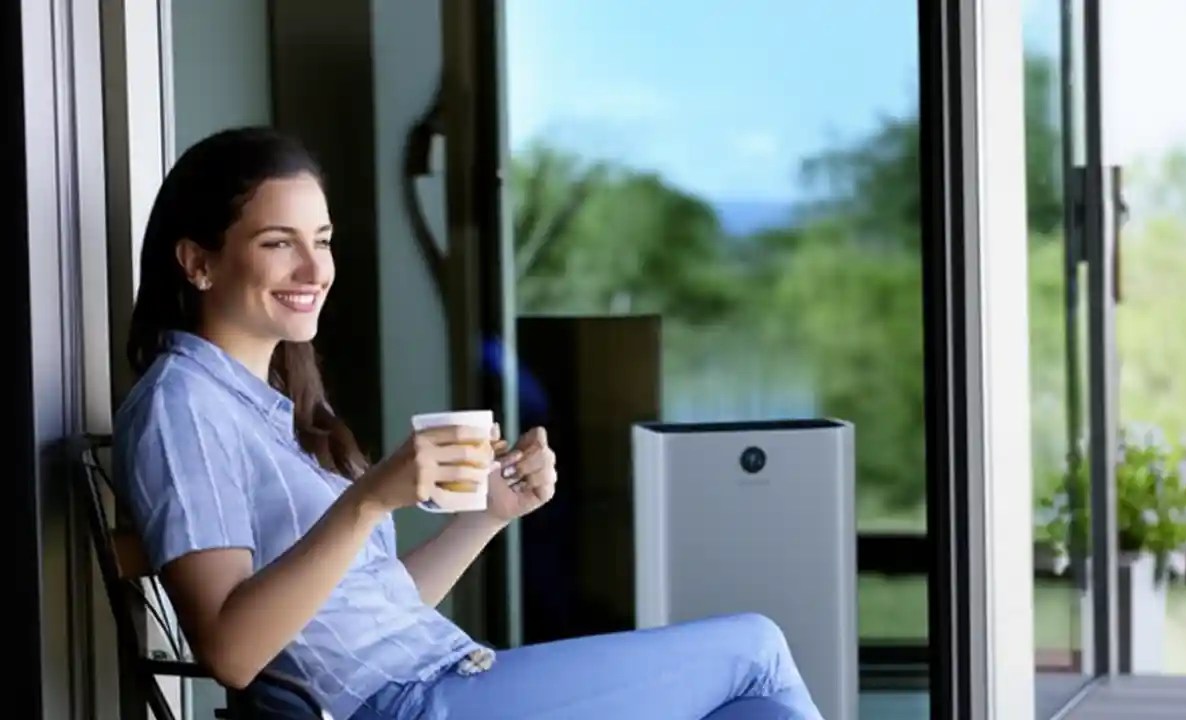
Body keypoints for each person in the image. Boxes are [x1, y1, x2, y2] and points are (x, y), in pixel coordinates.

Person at [112, 126, 823, 720]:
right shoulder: (184, 406)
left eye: (322, 240)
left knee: (754, 709)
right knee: (755, 650)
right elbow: (232, 654)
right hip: (417, 703)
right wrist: (370, 499)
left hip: (447, 677)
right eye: (278, 242)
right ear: (198, 262)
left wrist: (485, 516)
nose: (314, 268)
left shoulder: (271, 403)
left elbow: (372, 608)